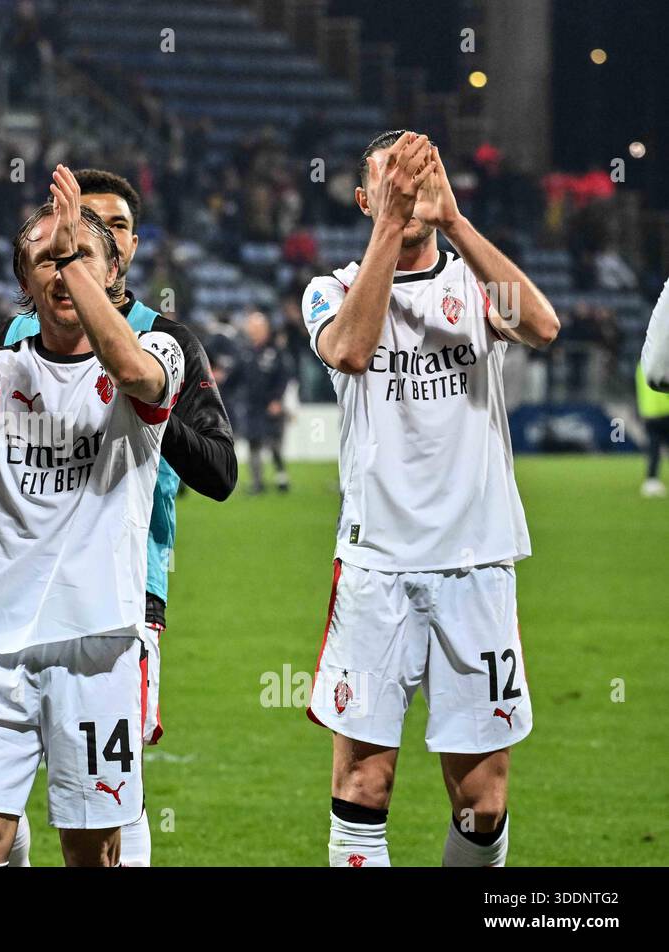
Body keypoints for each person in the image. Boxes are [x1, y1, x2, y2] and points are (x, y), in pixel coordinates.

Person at [0, 168, 235, 865]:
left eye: (81, 256)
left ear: (114, 268)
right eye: (45, 261)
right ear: (26, 284)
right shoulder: (1, 362)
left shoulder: (158, 350)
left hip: (98, 644)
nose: (62, 273)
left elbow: (139, 380)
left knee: (92, 851)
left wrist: (73, 253)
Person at [302, 131, 559, 867]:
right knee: (364, 782)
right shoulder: (330, 288)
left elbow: (542, 327)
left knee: (482, 801)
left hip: (477, 564)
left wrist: (454, 222)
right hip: (376, 568)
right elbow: (350, 351)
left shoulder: (475, 284)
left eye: (423, 176)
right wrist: (393, 226)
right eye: (393, 179)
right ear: (364, 199)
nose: (410, 187)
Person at [234, 311, 291, 494]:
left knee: (274, 443)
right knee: (253, 443)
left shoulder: (276, 352)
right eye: (251, 327)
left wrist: (277, 400)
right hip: (251, 406)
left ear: (265, 329)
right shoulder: (245, 352)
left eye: (256, 327)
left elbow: (283, 378)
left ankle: (281, 476)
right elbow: (235, 378)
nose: (253, 331)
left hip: (270, 405)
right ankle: (257, 483)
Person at [636, 361, 669, 498]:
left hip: (649, 412)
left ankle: (651, 480)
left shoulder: (641, 366)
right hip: (665, 411)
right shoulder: (664, 364)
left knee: (653, 448)